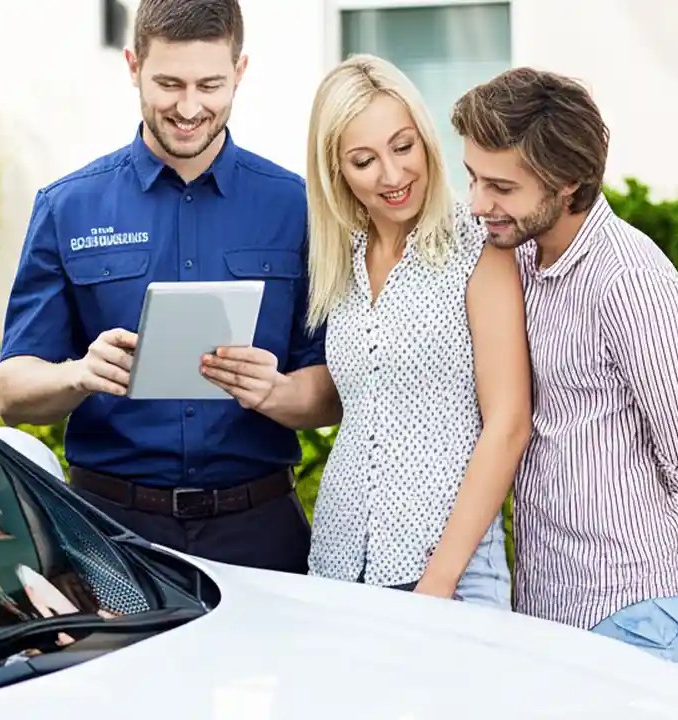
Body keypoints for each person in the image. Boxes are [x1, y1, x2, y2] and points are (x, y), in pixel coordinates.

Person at [0, 0, 335, 575]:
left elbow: (332, 387)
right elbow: (12, 390)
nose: (189, 107)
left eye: (210, 84)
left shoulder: (297, 207)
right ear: (132, 66)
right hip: (112, 534)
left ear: (240, 71)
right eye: (169, 83)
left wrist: (272, 391)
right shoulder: (67, 207)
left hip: (261, 530)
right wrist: (78, 373)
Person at [202, 53, 532, 608]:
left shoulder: (477, 247)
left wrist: (439, 583)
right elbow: (355, 399)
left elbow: (509, 423)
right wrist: (273, 390)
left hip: (448, 573)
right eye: (363, 160)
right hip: (337, 570)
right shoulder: (341, 263)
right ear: (337, 173)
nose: (392, 175)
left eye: (403, 147)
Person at [449, 67, 678, 667]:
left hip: (633, 609)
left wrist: (607, 463)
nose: (478, 203)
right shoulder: (519, 257)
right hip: (546, 605)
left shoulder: (630, 283)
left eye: (500, 186)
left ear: (567, 183)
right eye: (473, 177)